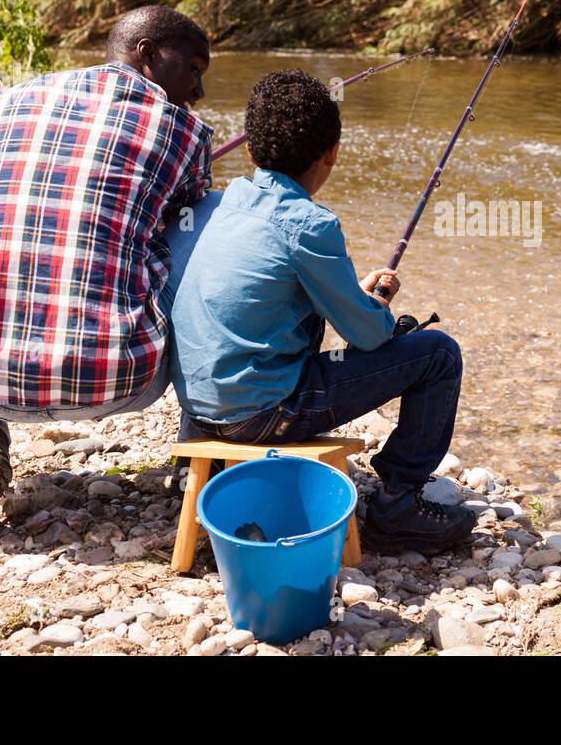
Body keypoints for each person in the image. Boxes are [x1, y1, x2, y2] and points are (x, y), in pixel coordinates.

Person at [0, 5, 213, 535]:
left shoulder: (0, 104)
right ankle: (202, 449)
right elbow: (186, 237)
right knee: (212, 227)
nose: (198, 90)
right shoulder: (185, 131)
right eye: (194, 69)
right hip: (122, 381)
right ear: (147, 55)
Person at [162, 69, 475, 555]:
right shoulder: (309, 224)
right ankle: (397, 506)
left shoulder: (211, 207)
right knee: (437, 353)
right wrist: (376, 307)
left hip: (199, 407)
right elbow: (369, 337)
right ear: (332, 152)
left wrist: (351, 295)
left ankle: (194, 470)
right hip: (261, 414)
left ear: (249, 150)